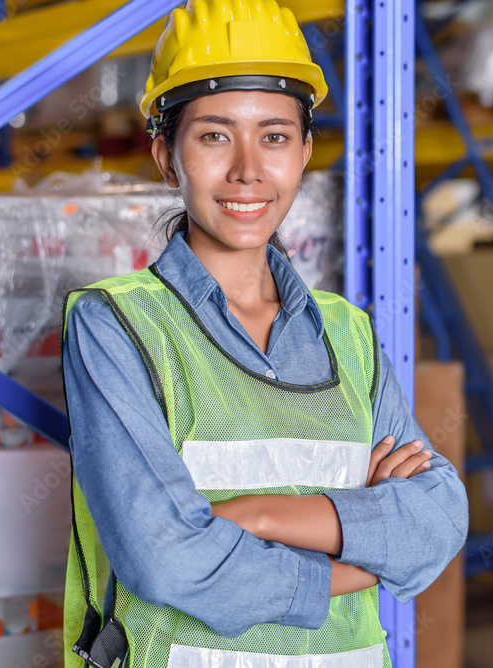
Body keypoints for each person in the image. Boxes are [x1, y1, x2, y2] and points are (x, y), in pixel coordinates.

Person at [59, 2, 468, 667]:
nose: (249, 169)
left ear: (305, 151)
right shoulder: (117, 326)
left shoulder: (347, 333)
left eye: (275, 136)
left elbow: (438, 516)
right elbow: (165, 560)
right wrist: (357, 554)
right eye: (215, 136)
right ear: (167, 157)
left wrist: (255, 516)